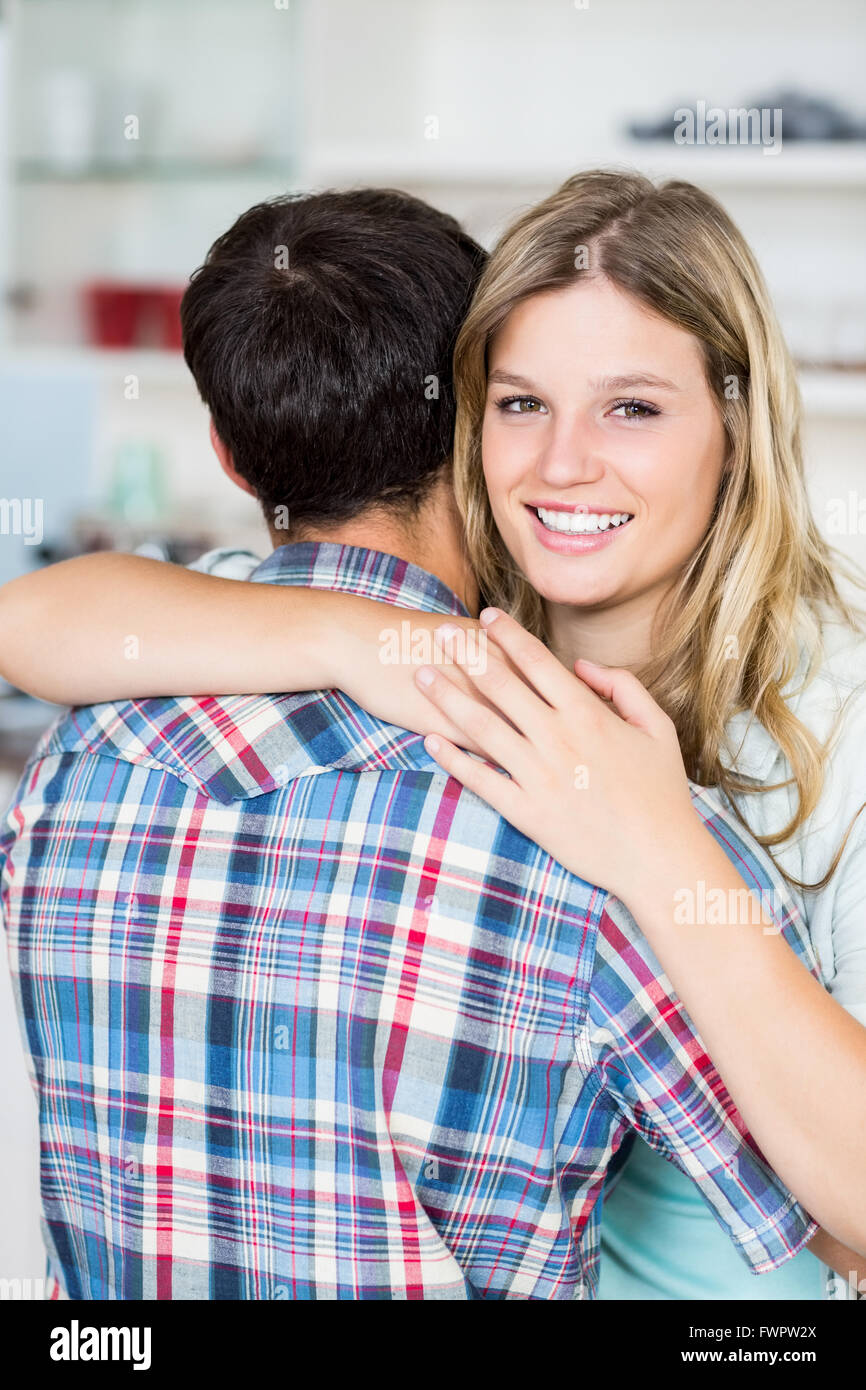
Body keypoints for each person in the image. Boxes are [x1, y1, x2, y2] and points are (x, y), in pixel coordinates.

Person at [0, 182, 862, 1299]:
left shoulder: (832, 723)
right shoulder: (311, 646)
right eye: (517, 404)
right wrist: (373, 644)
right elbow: (38, 623)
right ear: (456, 419)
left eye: (632, 408)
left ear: (736, 425)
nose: (561, 465)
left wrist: (652, 842)